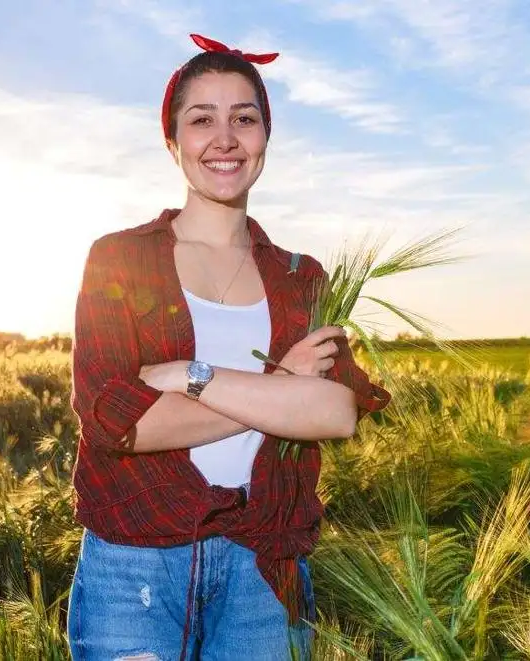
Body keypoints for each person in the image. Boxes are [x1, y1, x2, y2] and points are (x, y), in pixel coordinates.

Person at [67, 33, 391, 661]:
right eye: (201, 119)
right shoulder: (120, 259)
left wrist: (190, 376)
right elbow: (118, 423)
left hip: (265, 566)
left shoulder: (302, 276)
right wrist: (281, 389)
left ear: (266, 137)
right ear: (173, 142)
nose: (225, 137)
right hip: (134, 563)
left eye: (244, 118)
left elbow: (336, 413)